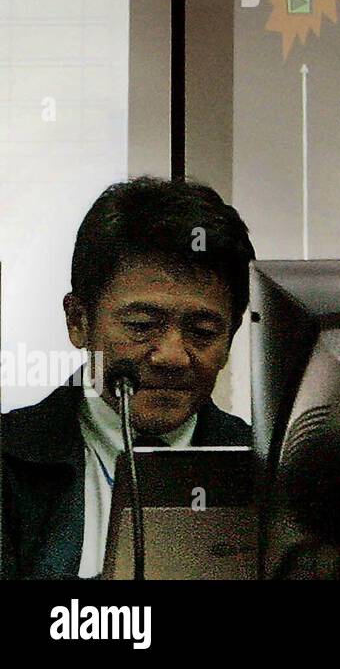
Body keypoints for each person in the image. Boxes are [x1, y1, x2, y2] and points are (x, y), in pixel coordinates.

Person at [1, 176, 256, 578]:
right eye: (141, 325)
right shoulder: (8, 462)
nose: (172, 356)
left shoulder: (271, 470)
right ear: (78, 321)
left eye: (203, 332)